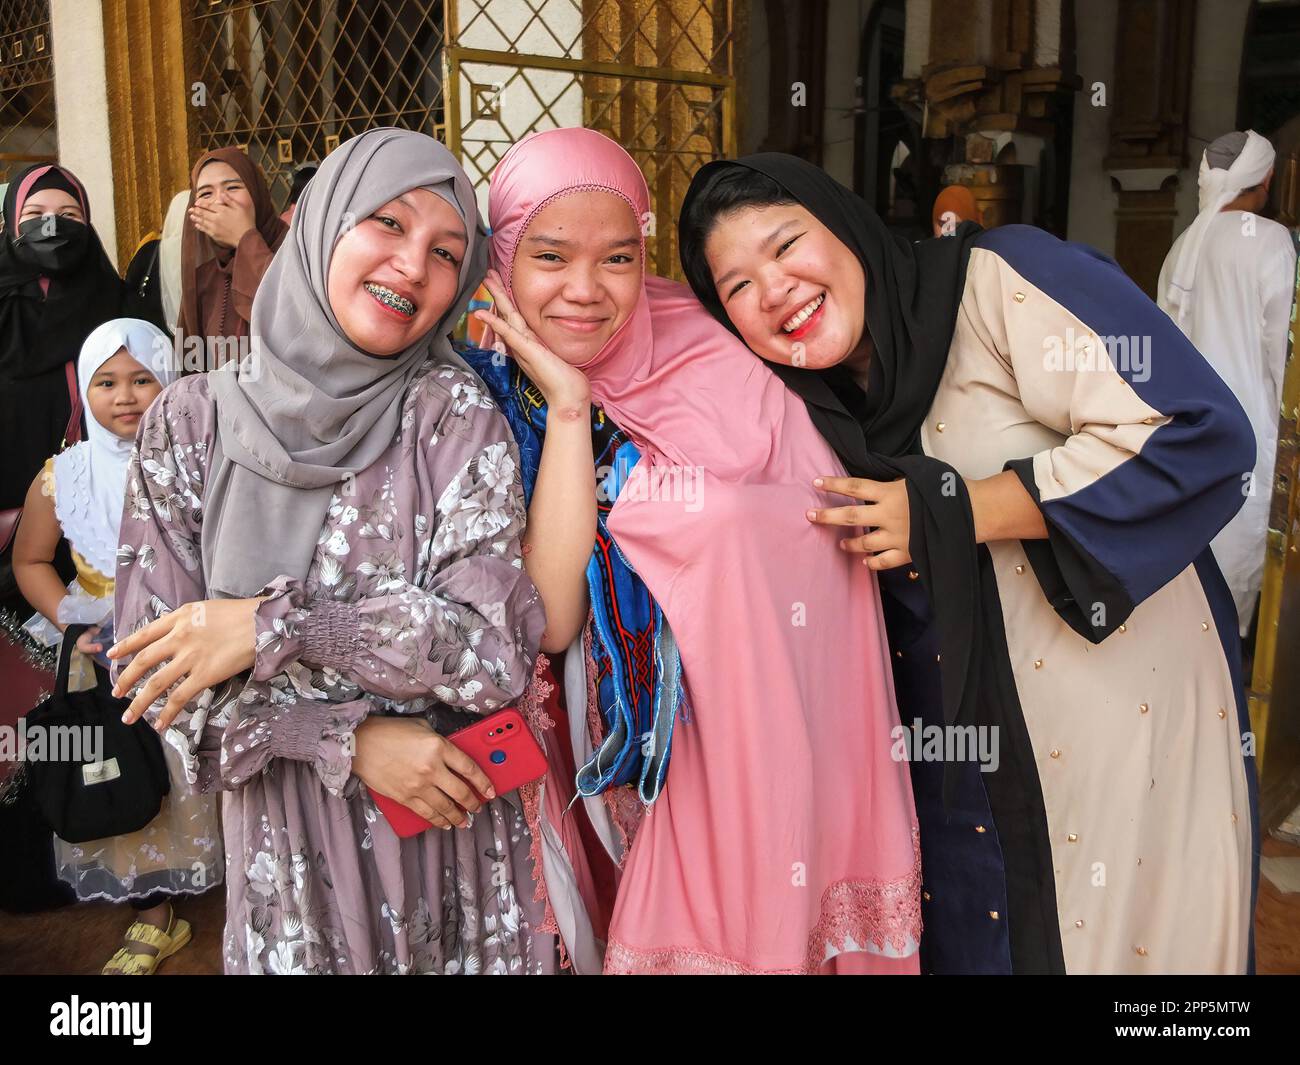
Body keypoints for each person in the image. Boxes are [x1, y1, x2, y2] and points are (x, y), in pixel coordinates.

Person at [679, 153, 1259, 975]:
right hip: (958, 772)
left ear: (843, 225)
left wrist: (957, 508)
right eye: (735, 286)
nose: (773, 291)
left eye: (785, 245)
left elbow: (1197, 435)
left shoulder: (999, 284)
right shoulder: (809, 408)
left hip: (1118, 736)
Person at [467, 127, 922, 975]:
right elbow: (552, 618)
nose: (585, 291)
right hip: (563, 761)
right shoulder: (469, 389)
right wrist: (569, 409)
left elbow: (797, 528)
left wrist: (604, 461)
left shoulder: (703, 350)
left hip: (724, 753)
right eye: (551, 256)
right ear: (502, 255)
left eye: (617, 260)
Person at [109, 128, 556, 975]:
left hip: (450, 855)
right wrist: (340, 738)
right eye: (385, 224)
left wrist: (276, 631)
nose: (413, 266)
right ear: (318, 226)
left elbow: (492, 652)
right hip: (292, 872)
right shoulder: (188, 424)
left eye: (446, 253)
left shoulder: (451, 413)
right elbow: (156, 685)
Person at [12, 317, 221, 974]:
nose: (125, 395)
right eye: (106, 381)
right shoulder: (63, 475)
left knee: (201, 781)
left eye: (142, 378)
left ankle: (242, 895)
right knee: (131, 782)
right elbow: (31, 561)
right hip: (109, 660)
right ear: (85, 387)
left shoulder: (201, 463)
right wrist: (79, 620)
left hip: (192, 647)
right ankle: (153, 916)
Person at [1158, 130, 1298, 636]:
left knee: (1188, 609)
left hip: (1185, 449)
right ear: (1265, 180)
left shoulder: (1182, 247)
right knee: (1232, 620)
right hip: (1250, 445)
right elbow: (1284, 356)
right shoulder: (1271, 242)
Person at [0, 164, 123, 625]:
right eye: (35, 213)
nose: (52, 225)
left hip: (95, 525)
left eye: (68, 214)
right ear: (11, 223)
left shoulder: (118, 303)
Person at [178, 147, 288, 372]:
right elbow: (190, 365)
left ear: (257, 194)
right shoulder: (202, 279)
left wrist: (246, 239)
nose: (220, 201)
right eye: (206, 194)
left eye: (233, 187)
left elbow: (292, 318)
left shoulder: (295, 253)